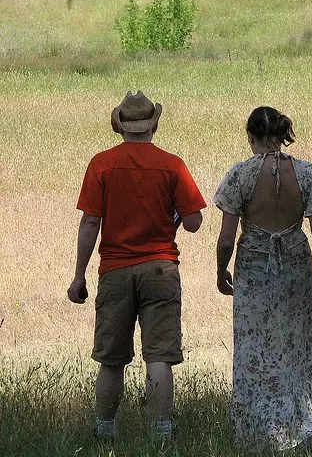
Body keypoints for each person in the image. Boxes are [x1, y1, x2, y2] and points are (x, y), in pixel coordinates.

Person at [67, 91, 207, 441]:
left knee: (111, 357)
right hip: (160, 268)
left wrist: (79, 275)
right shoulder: (171, 164)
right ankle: (162, 431)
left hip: (113, 270)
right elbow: (193, 221)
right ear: (153, 125)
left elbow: (89, 223)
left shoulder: (101, 163)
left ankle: (104, 431)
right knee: (159, 354)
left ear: (120, 126)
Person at [214, 106, 312, 451]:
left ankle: (258, 429)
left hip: (253, 268)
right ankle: (299, 424)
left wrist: (221, 269)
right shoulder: (307, 173)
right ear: (282, 136)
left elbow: (226, 239)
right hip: (296, 266)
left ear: (250, 137)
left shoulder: (239, 175)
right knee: (294, 344)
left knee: (255, 346)